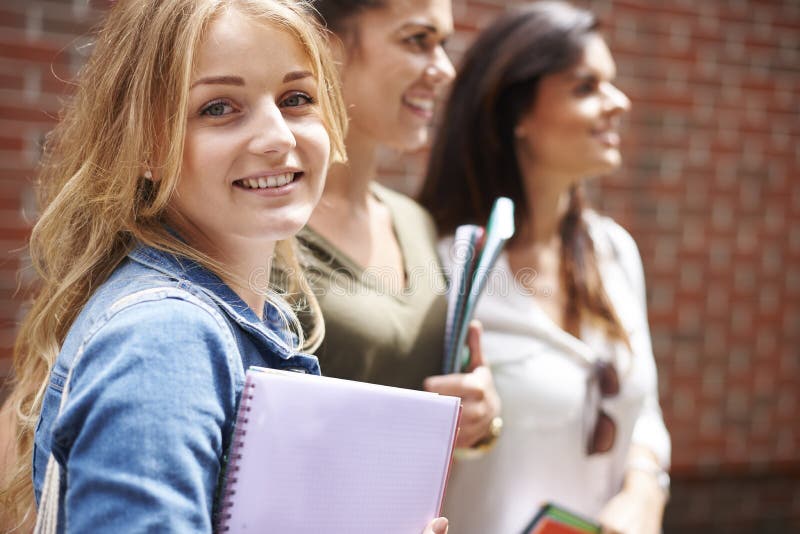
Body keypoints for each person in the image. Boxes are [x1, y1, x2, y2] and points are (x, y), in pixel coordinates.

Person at [0, 1, 448, 533]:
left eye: (297, 98)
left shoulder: (250, 318)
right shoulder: (166, 338)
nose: (278, 136)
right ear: (148, 143)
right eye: (219, 108)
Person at [419, 2, 671, 533]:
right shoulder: (442, 265)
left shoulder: (614, 251)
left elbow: (643, 408)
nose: (619, 103)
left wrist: (646, 489)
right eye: (587, 87)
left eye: (612, 83)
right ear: (517, 114)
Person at [301, 0, 501, 449]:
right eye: (417, 40)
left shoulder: (413, 220)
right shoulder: (267, 223)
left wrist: (480, 419)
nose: (445, 70)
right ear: (325, 45)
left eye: (442, 45)